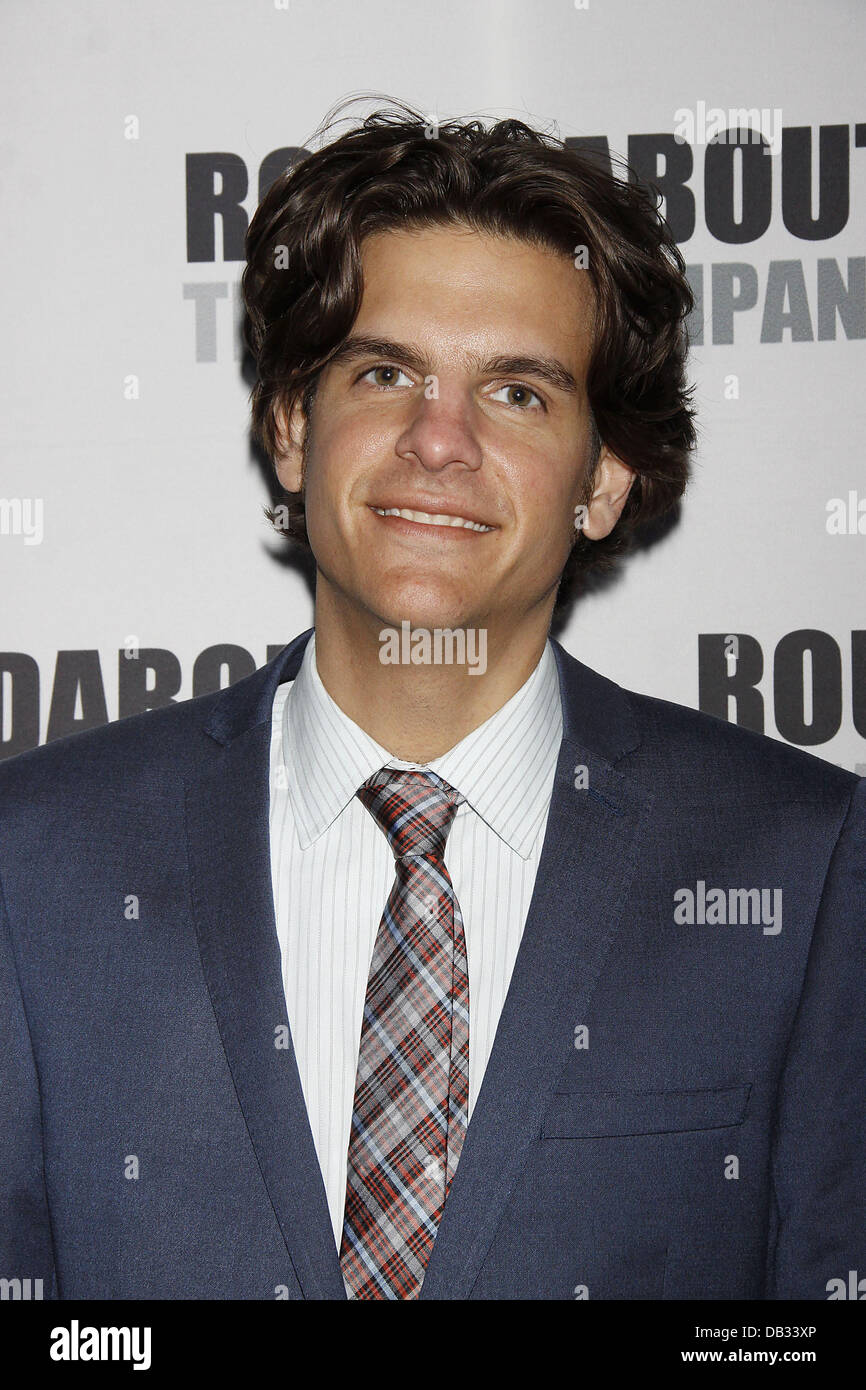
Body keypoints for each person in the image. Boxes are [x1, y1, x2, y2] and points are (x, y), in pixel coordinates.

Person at [1, 98, 863, 1301]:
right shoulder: (36, 857)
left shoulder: (804, 863)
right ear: (293, 427)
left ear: (604, 479)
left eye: (516, 392)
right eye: (384, 370)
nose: (437, 439)